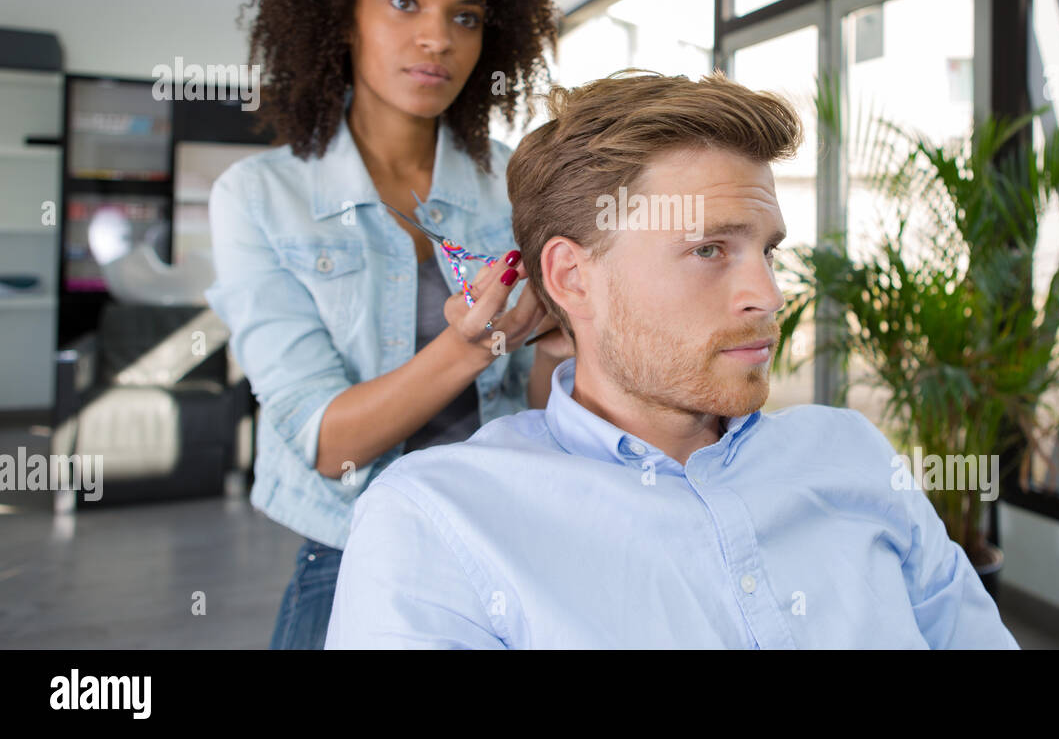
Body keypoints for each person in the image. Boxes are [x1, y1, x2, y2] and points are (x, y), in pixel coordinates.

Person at [324, 70, 1020, 649]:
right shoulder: (439, 521)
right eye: (709, 250)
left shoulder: (852, 456)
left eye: (766, 251)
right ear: (572, 278)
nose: (768, 295)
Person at [204, 0, 574, 650]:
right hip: (353, 555)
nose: (436, 38)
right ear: (342, 13)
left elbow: (541, 410)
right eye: (405, 2)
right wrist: (473, 345)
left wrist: (560, 343)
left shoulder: (517, 180)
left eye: (466, 16)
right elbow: (326, 439)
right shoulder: (258, 199)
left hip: (509, 542)